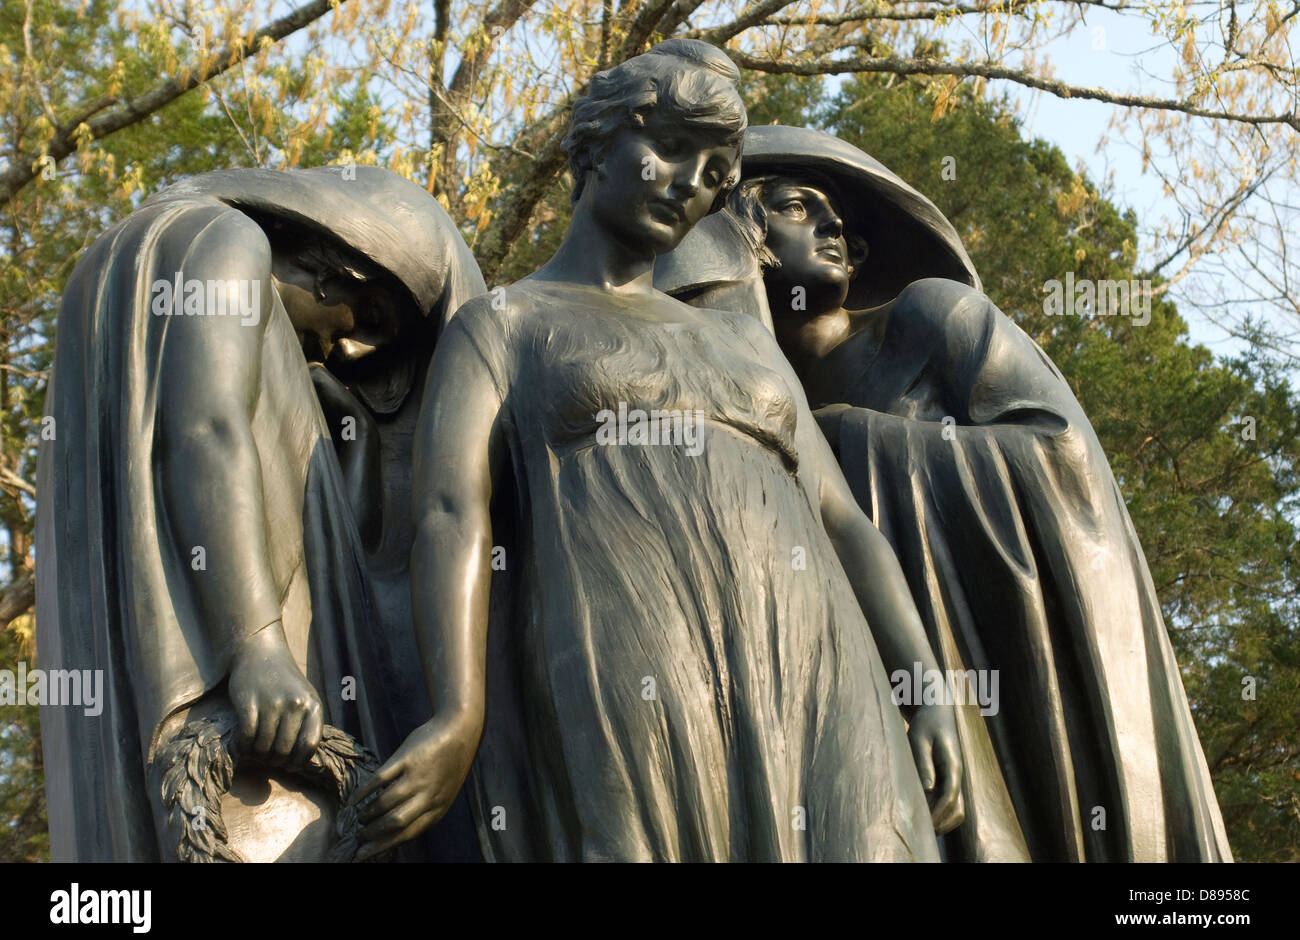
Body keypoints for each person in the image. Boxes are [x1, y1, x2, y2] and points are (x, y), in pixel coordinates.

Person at [352, 40, 963, 863]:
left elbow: (845, 525)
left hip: (822, 660)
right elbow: (450, 511)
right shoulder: (506, 323)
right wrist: (456, 715)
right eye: (671, 149)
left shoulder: (746, 340)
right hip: (630, 653)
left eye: (715, 174)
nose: (690, 185)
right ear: (597, 143)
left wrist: (922, 684)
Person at [659, 124, 1232, 862]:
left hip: (989, 681)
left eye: (851, 231)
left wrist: (849, 442)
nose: (837, 228)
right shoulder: (751, 393)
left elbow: (1061, 459)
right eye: (800, 206)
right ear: (736, 230)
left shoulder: (930, 315)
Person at [36, 165, 484, 861]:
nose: (350, 349)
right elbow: (207, 430)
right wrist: (257, 645)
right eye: (368, 317)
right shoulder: (227, 238)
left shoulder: (121, 262)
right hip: (235, 700)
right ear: (336, 266)